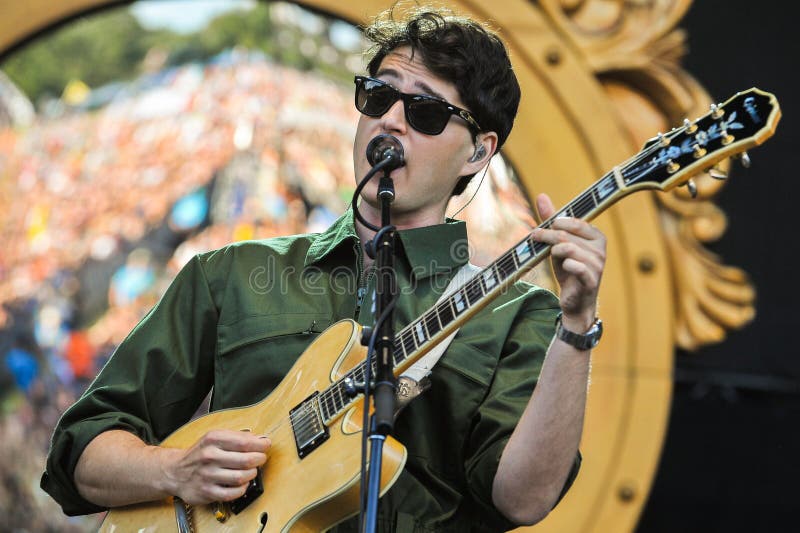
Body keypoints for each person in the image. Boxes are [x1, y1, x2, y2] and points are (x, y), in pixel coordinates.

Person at [41, 5, 606, 532]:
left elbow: (523, 497)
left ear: (479, 152)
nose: (391, 121)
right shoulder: (228, 274)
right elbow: (82, 450)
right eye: (378, 96)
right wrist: (174, 469)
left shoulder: (520, 314)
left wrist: (577, 327)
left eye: (426, 112)